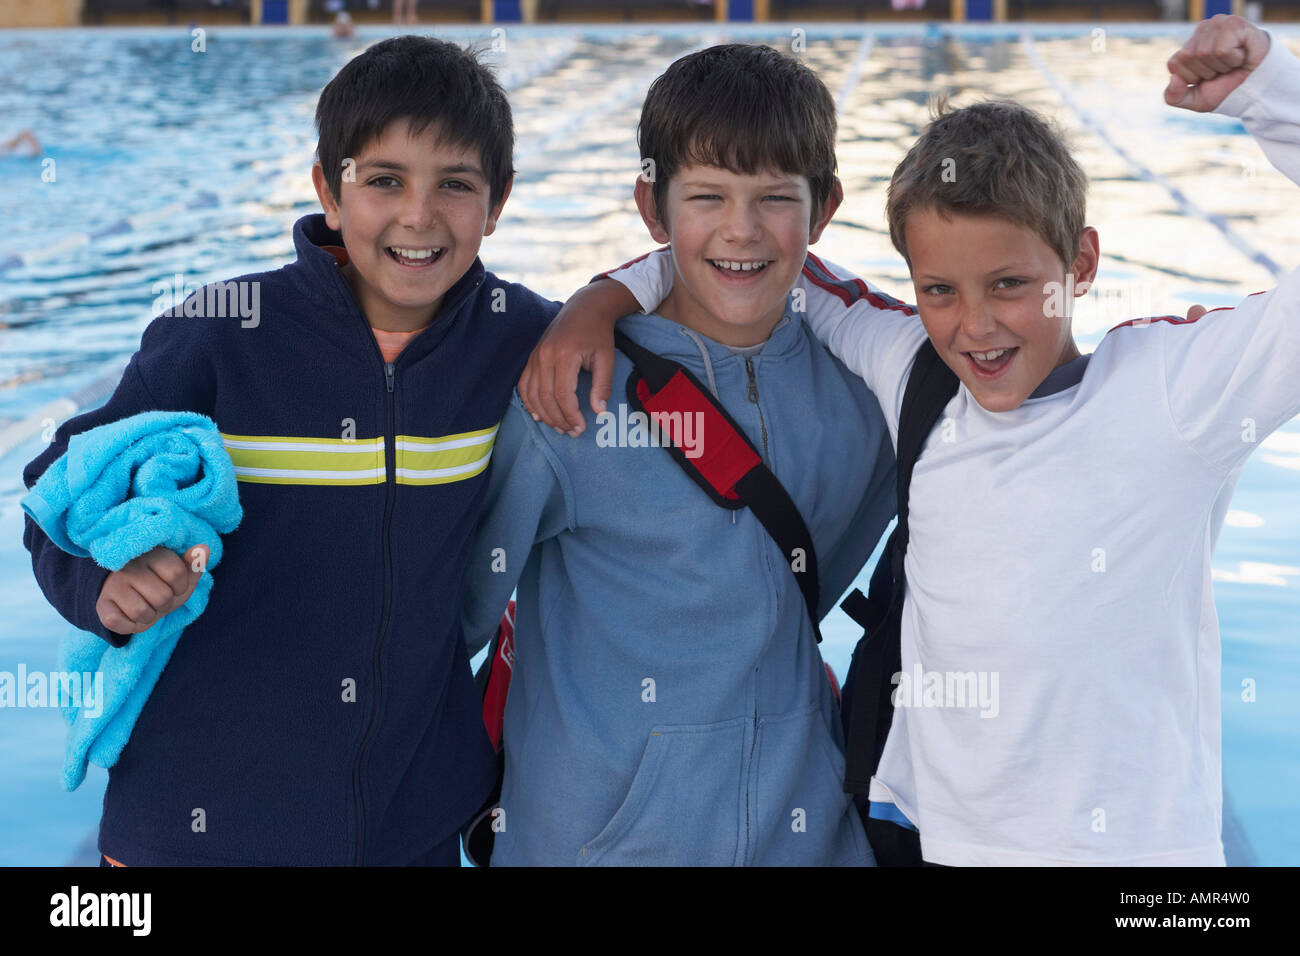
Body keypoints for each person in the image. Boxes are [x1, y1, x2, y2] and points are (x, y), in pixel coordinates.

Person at [517, 15, 1300, 865]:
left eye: (1010, 285)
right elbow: (768, 264)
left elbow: (775, 254)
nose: (976, 325)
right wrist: (605, 300)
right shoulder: (916, 372)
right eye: (939, 289)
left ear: (1081, 262)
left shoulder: (1171, 392)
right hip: (924, 843)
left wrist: (1271, 93)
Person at [22, 35, 652, 867]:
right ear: (327, 187)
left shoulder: (518, 340)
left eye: (455, 186)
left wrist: (603, 302)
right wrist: (104, 585)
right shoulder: (223, 334)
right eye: (382, 180)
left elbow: (694, 304)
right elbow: (60, 491)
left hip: (410, 821)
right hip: (195, 818)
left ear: (497, 203)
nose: (418, 217)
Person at [459, 43, 897, 866]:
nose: (741, 229)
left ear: (825, 207)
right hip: (595, 843)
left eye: (775, 198)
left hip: (809, 836)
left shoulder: (868, 395)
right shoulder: (572, 392)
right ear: (653, 211)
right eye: (707, 198)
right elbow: (449, 627)